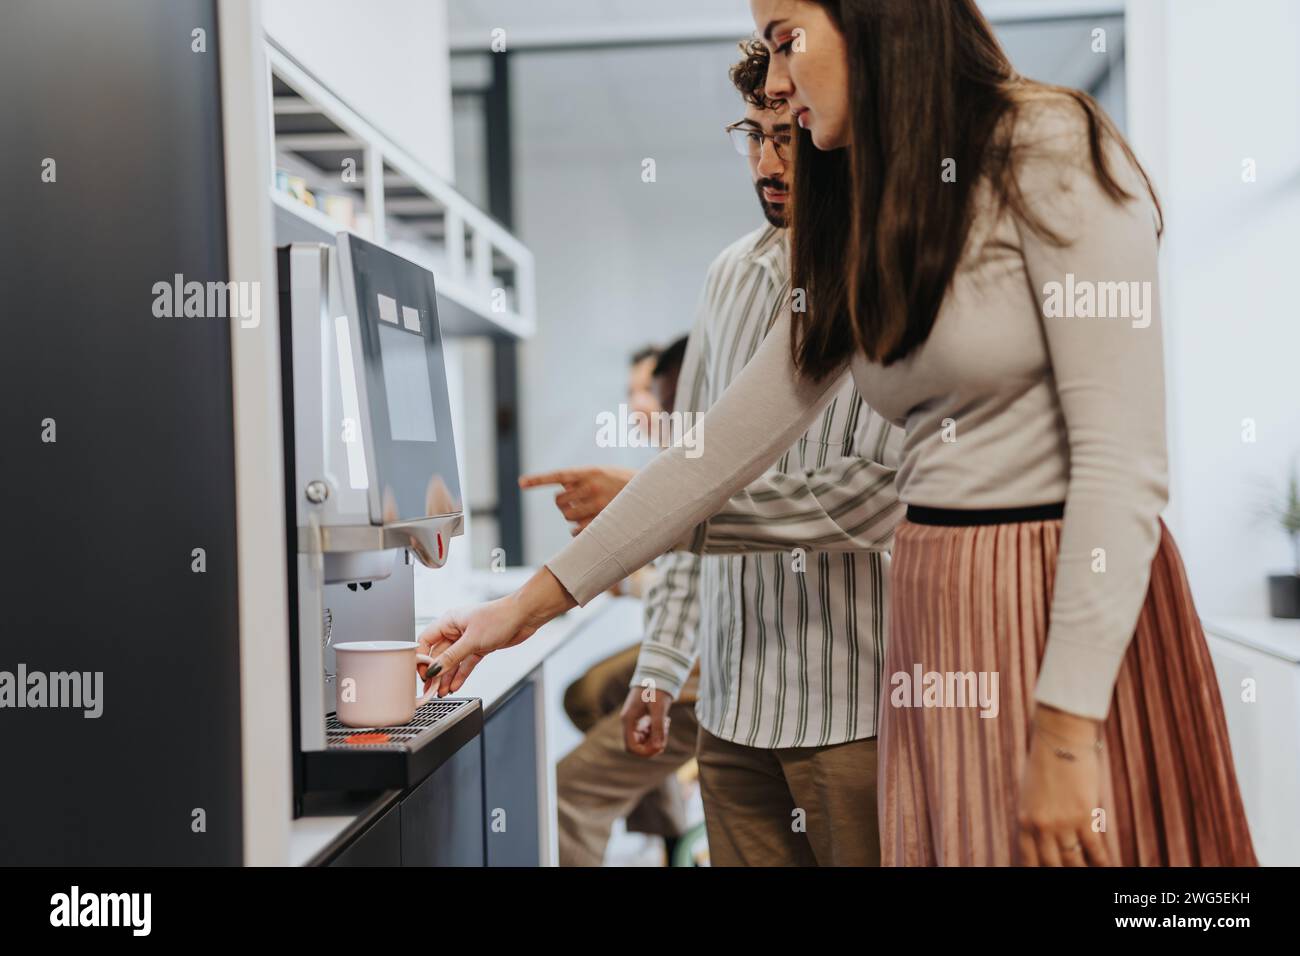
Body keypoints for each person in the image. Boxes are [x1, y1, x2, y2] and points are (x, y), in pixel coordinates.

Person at [419, 0, 1256, 867]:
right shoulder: (872, 212)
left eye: (788, 41)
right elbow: (714, 453)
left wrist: (1070, 731)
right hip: (937, 608)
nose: (776, 82)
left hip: (1053, 600)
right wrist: (521, 609)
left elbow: (1121, 468)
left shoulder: (1046, 145)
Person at [535, 337, 700, 866]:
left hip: (715, 648)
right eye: (633, 394)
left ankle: (658, 823)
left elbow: (698, 575)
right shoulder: (678, 465)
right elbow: (685, 568)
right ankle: (668, 836)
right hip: (697, 636)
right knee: (588, 694)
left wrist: (625, 582)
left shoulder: (698, 469)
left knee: (567, 792)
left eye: (649, 393)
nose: (638, 406)